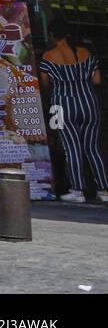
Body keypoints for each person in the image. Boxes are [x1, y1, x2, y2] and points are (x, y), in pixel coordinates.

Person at [38, 20, 107, 203]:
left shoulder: (48, 56)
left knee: (71, 148)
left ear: (52, 35)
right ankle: (104, 191)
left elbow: (45, 84)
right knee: (93, 149)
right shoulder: (85, 53)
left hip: (60, 106)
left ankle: (77, 191)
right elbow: (97, 80)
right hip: (89, 104)